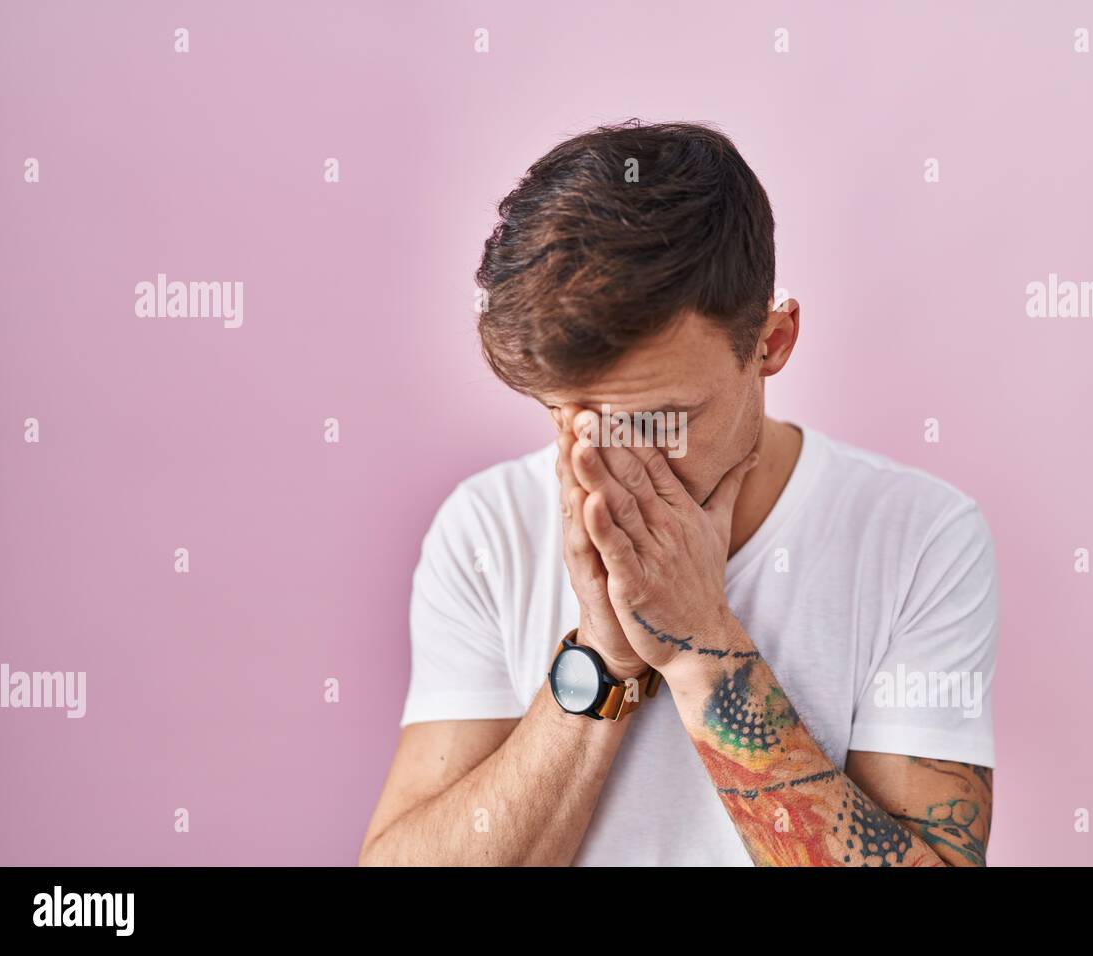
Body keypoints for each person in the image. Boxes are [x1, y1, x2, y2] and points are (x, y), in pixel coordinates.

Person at [360, 120, 997, 866]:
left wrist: (700, 643)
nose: (603, 461)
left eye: (656, 421)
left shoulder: (919, 535)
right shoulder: (484, 529)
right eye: (567, 417)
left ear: (771, 342)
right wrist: (603, 657)